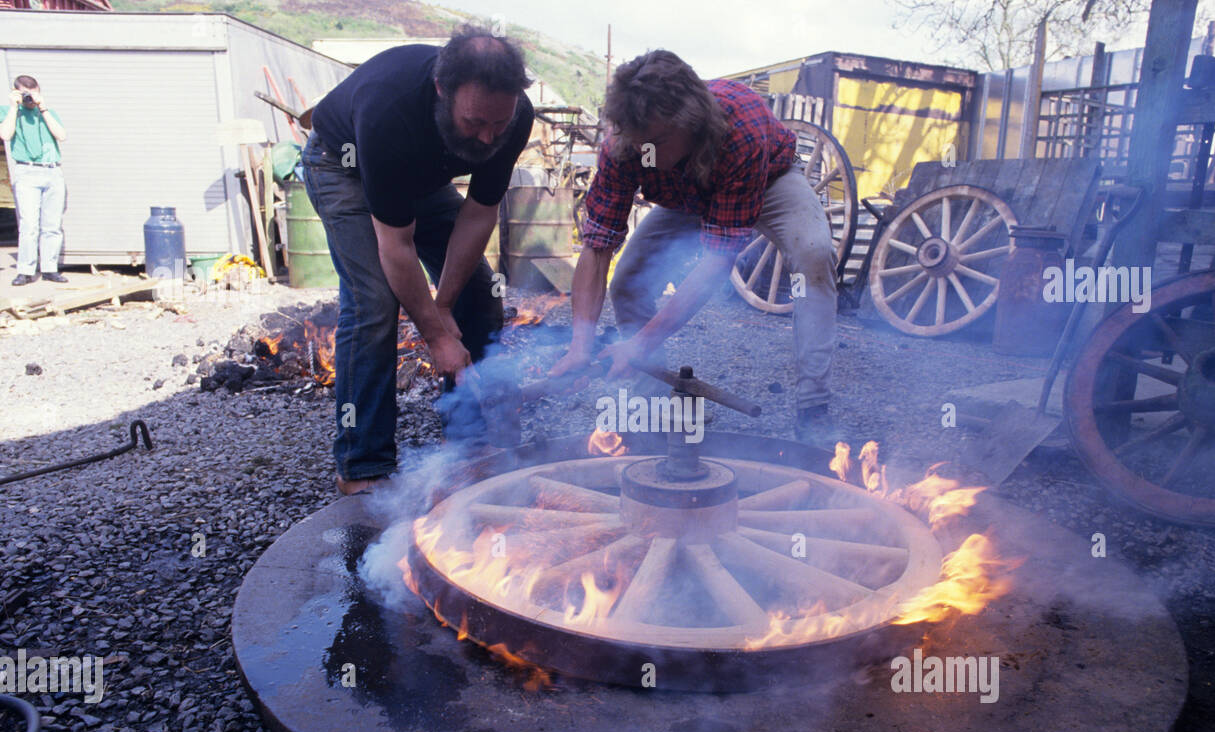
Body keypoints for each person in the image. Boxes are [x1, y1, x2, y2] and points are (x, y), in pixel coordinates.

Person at [549, 50, 841, 445]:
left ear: (691, 123)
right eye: (637, 142)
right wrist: (580, 345)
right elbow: (597, 246)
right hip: (687, 198)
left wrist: (641, 339)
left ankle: (813, 408)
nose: (643, 153)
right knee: (627, 281)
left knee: (813, 253)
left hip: (767, 182)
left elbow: (717, 261)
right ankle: (649, 393)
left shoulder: (741, 129)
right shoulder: (625, 144)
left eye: (655, 142)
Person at [303, 26, 533, 494]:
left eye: (498, 125)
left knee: (480, 296)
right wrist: (434, 334)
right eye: (474, 123)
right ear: (441, 92)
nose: (489, 138)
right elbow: (397, 244)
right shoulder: (388, 108)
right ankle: (362, 466)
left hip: (424, 180)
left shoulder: (513, 116)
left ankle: (467, 439)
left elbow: (479, 213)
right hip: (341, 167)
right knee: (374, 305)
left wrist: (446, 306)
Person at [0, 75, 69, 286]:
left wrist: (44, 109)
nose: (30, 98)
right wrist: (14, 107)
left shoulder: (47, 112)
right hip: (27, 171)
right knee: (29, 225)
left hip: (52, 171)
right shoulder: (9, 111)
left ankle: (50, 268)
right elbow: (5, 134)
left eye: (33, 93)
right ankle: (25, 271)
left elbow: (62, 135)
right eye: (25, 94)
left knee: (52, 225)